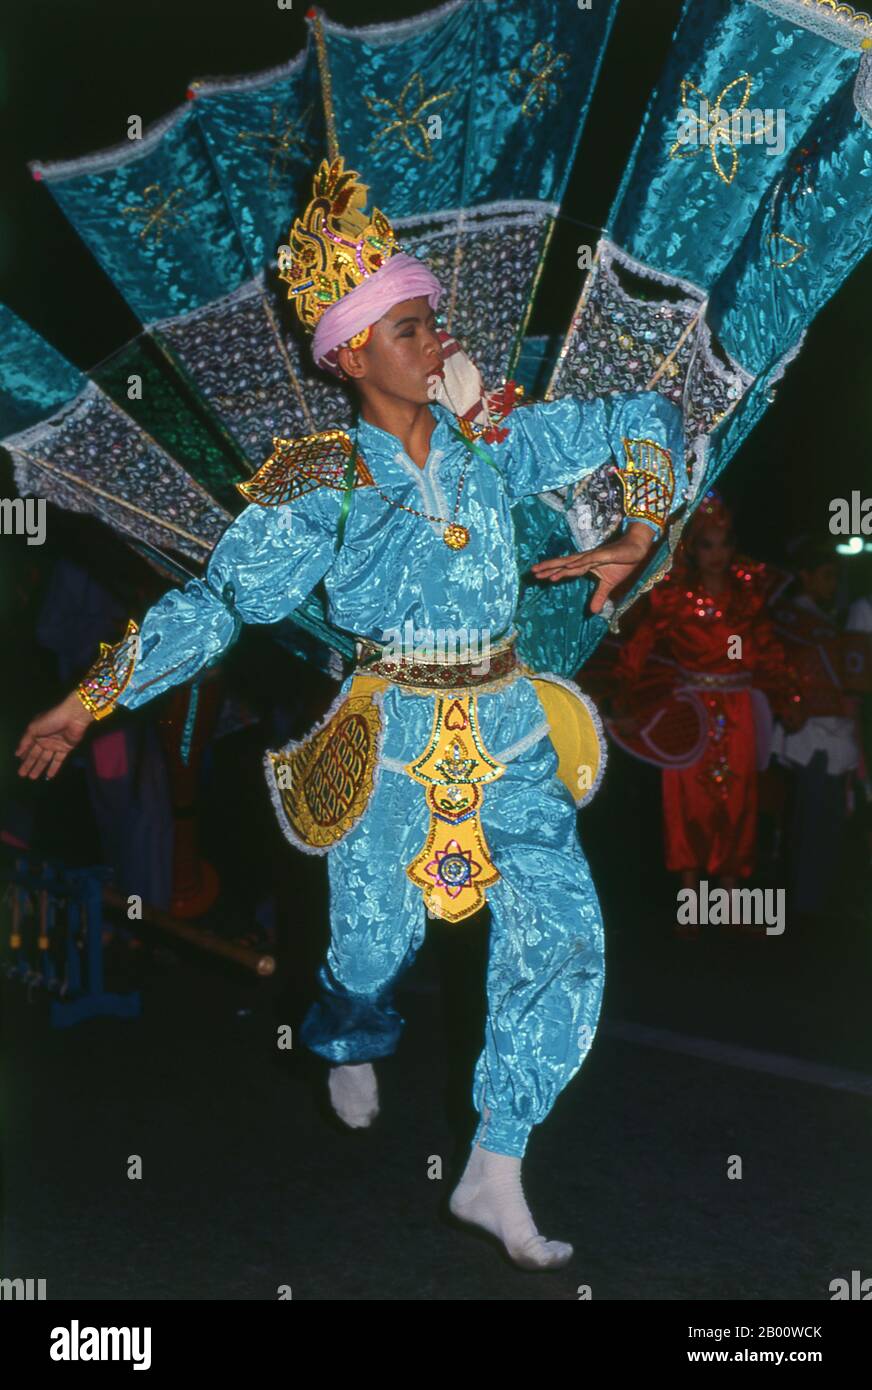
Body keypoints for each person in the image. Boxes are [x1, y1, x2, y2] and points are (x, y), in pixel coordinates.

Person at [16, 157, 684, 1271]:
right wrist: (87, 703)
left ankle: (495, 1165)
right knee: (376, 942)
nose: (440, 343)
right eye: (413, 329)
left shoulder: (491, 436)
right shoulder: (319, 482)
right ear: (352, 352)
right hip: (390, 741)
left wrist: (639, 530)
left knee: (563, 939)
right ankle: (344, 1024)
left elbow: (645, 412)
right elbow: (217, 602)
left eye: (433, 323)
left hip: (512, 726)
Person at [606, 493, 799, 896]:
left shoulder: (749, 593)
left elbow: (766, 650)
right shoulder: (672, 594)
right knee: (686, 802)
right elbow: (640, 646)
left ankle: (729, 896)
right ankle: (691, 897)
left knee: (739, 800)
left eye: (725, 543)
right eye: (708, 544)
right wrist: (624, 694)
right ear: (694, 547)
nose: (718, 553)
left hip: (740, 710)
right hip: (689, 709)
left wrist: (789, 697)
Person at [771, 543, 862, 917]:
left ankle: (819, 900)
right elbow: (778, 671)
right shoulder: (790, 621)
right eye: (826, 576)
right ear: (805, 577)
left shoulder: (830, 622)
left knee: (829, 818)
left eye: (835, 578)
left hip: (837, 733)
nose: (832, 584)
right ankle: (808, 904)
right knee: (813, 818)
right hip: (811, 734)